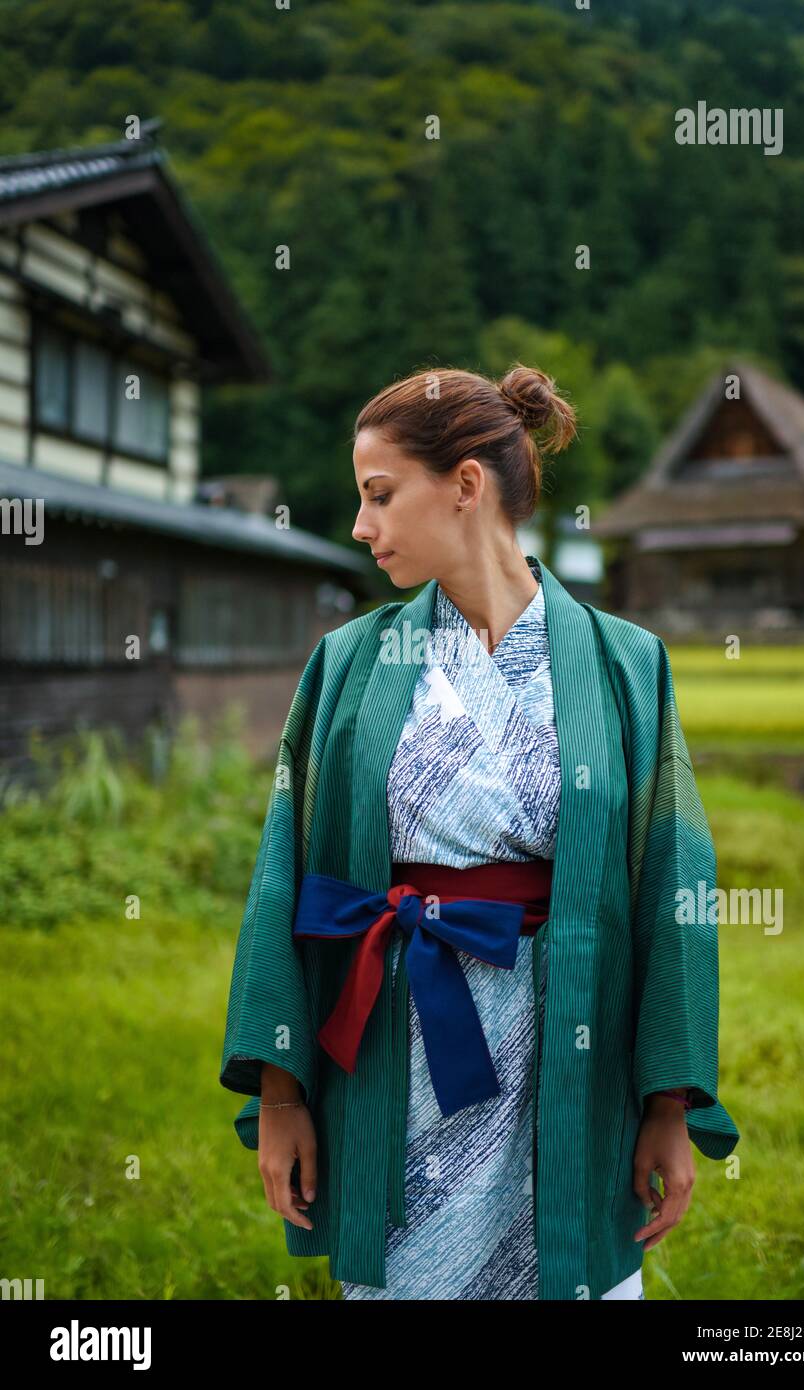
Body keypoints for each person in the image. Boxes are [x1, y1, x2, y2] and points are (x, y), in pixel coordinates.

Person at [220, 363, 739, 1301]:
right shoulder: (346, 664)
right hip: (392, 1046)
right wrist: (282, 1091)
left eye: (379, 496)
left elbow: (671, 880)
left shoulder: (625, 664)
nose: (359, 526)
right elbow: (282, 876)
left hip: (565, 1042)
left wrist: (667, 1102)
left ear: (465, 485)